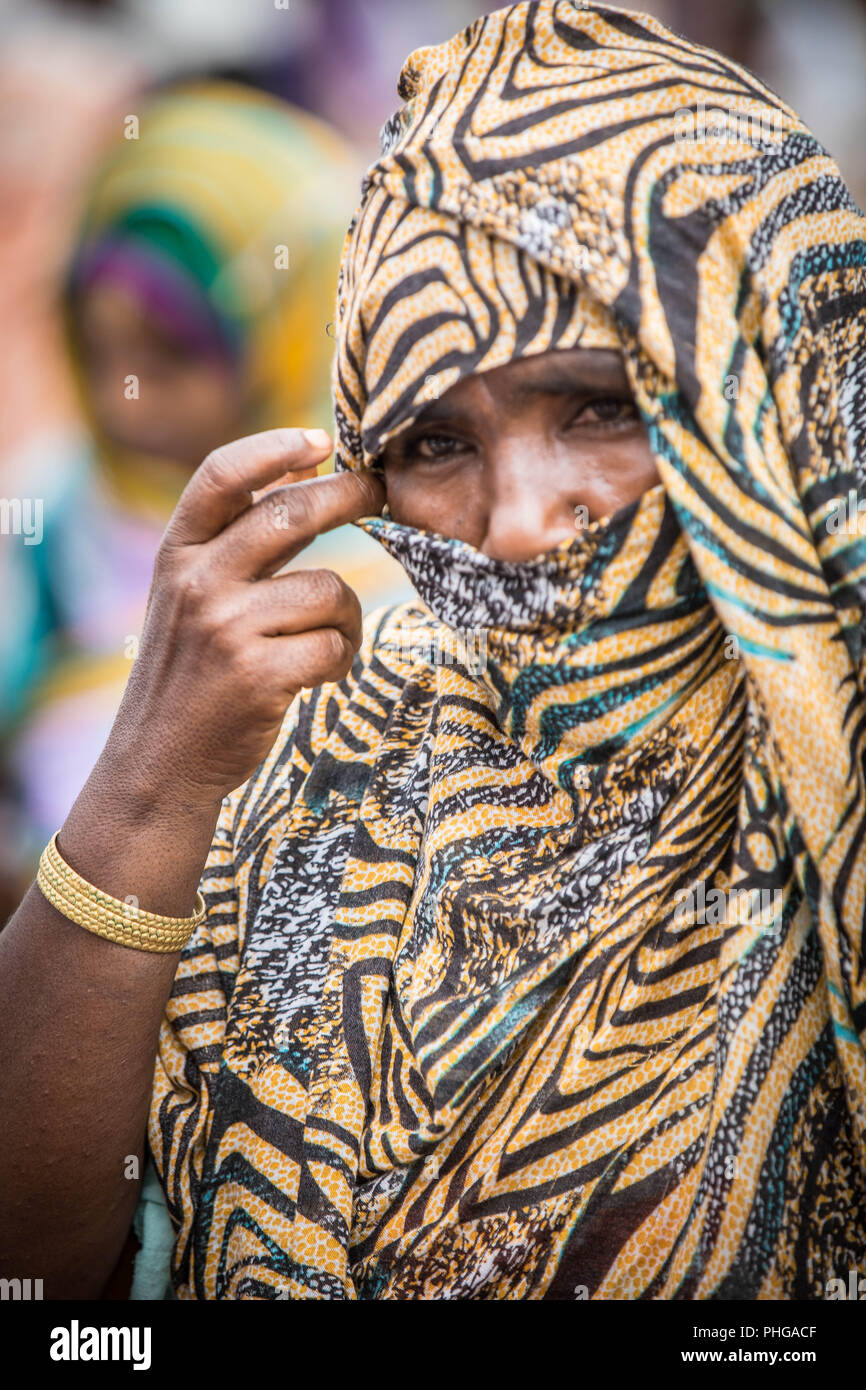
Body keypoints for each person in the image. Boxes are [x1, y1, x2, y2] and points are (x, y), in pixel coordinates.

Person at [1, 0, 865, 1301]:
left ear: (764, 373)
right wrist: (143, 787)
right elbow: (34, 1279)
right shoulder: (319, 758)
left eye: (599, 406)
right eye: (434, 444)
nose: (516, 526)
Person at [0, 79, 412, 900]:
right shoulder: (41, 522)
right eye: (95, 343)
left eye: (172, 353)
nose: (129, 396)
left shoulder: (396, 560)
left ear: (289, 336)